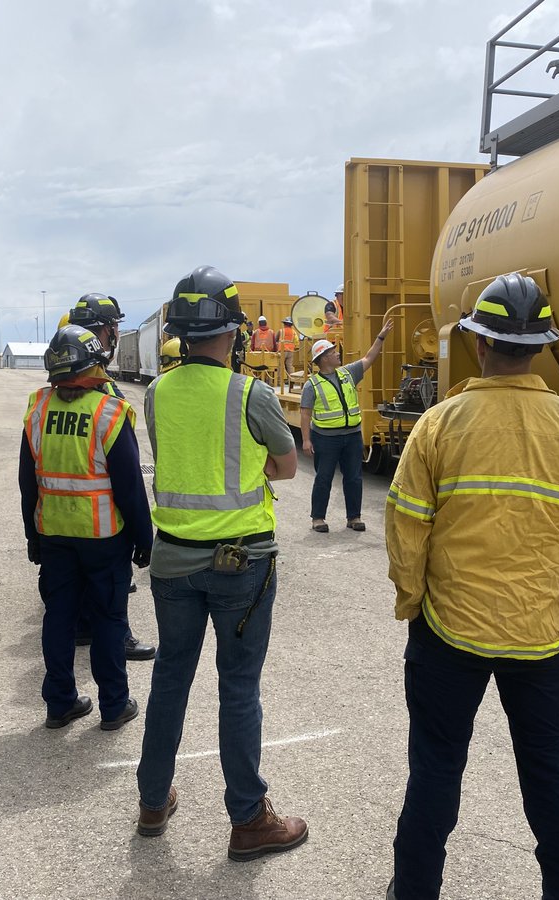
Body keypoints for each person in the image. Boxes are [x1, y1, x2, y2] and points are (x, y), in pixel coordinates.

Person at [382, 273, 559, 900]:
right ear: (540, 346)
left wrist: (414, 603)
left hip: (448, 631)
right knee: (549, 771)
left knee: (435, 768)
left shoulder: (439, 425)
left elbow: (407, 527)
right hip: (541, 636)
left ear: (479, 343)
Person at [135, 265, 307, 861]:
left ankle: (153, 801)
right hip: (242, 563)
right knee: (238, 687)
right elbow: (286, 467)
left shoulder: (156, 392)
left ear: (180, 331)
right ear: (233, 331)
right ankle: (248, 820)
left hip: (173, 562)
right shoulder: (250, 393)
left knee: (170, 679)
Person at [19, 325, 155, 731]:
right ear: (96, 365)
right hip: (103, 539)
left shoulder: (38, 409)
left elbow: (28, 480)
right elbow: (130, 485)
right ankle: (114, 706)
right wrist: (143, 538)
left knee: (58, 617)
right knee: (109, 621)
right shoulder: (108, 412)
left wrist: (33, 534)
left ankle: (60, 703)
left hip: (55, 534)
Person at [68, 292, 157, 661]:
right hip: (102, 514)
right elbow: (125, 471)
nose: (116, 335)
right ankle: (118, 636)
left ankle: (86, 626)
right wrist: (141, 531)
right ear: (105, 332)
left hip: (63, 511)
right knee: (112, 584)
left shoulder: (63, 380)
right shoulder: (101, 386)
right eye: (114, 328)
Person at [299, 318, 394, 532]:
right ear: (323, 359)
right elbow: (305, 414)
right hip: (325, 439)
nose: (337, 353)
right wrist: (306, 440)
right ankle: (318, 519)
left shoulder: (348, 373)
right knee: (324, 478)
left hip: (352, 436)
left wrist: (381, 337)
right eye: (333, 352)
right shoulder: (311, 385)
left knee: (354, 477)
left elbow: (369, 358)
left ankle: (354, 517)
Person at [279, 317, 298, 383]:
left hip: (282, 350)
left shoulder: (281, 331)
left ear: (285, 324)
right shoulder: (294, 332)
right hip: (291, 351)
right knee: (289, 365)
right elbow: (296, 342)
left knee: (281, 365)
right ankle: (291, 380)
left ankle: (280, 381)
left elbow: (275, 340)